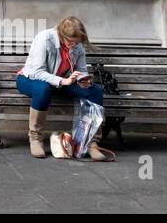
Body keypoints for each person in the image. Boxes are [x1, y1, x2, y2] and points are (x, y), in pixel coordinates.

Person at [16, 17, 112, 160]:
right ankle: (35, 138)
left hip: (61, 82)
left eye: (77, 42)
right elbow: (37, 72)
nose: (74, 45)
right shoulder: (45, 38)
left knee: (95, 91)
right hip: (30, 79)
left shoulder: (77, 45)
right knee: (43, 89)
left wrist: (83, 80)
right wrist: (63, 81)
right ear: (61, 34)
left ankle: (91, 143)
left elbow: (81, 69)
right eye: (70, 42)